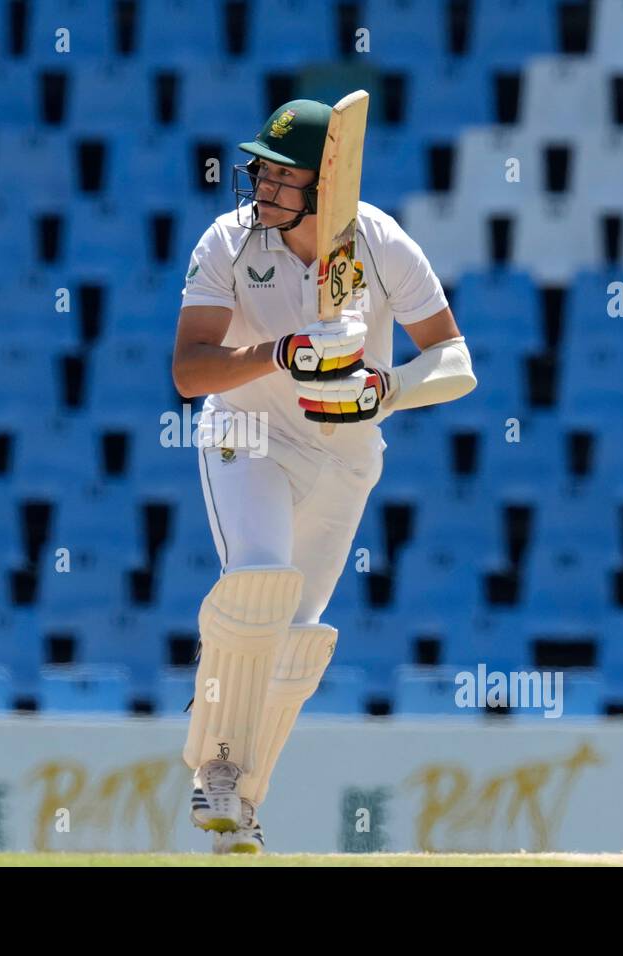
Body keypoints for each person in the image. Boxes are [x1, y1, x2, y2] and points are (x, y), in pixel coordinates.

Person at [172, 98, 478, 853]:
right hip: (249, 432)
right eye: (260, 172)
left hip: (347, 452)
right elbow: (189, 371)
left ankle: (241, 804)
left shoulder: (378, 241)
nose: (260, 186)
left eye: (280, 176)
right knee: (259, 585)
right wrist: (279, 353)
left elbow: (456, 360)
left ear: (324, 183)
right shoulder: (229, 243)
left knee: (296, 639)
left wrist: (389, 388)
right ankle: (212, 768)